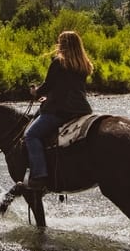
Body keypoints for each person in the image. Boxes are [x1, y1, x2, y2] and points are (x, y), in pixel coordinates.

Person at [23, 30, 94, 190]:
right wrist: (49, 97)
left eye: (60, 42)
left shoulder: (59, 62)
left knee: (31, 135)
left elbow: (48, 85)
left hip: (60, 111)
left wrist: (36, 92)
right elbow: (68, 87)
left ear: (63, 44)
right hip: (81, 110)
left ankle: (39, 175)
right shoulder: (84, 64)